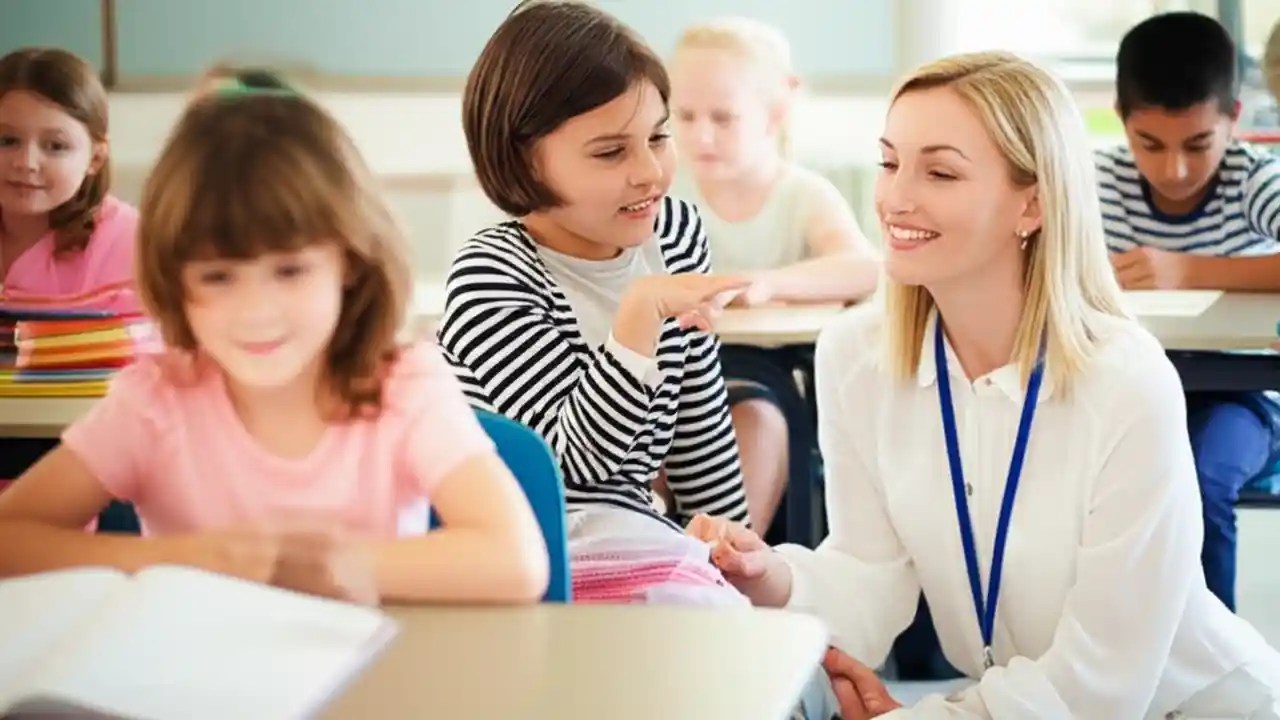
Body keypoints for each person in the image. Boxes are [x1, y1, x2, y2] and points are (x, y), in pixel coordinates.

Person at [690, 51, 1280, 718]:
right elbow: (869, 578)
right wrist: (771, 577)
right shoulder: (855, 356)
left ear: (1031, 203)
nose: (895, 198)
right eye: (889, 163)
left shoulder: (1126, 382)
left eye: (939, 171)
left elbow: (1102, 681)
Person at [0, 83, 548, 605]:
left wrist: (353, 567)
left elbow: (518, 561)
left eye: (290, 271)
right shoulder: (155, 399)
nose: (256, 311)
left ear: (350, 263)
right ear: (176, 284)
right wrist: (180, 559)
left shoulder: (405, 384)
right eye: (218, 277)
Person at [437, 0, 752, 604]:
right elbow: (574, 470)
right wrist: (638, 317)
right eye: (611, 152)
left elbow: (699, 425)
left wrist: (738, 554)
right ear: (522, 157)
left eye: (659, 137)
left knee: (778, 653)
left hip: (631, 539)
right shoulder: (493, 274)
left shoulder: (676, 235)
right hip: (527, 551)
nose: (650, 173)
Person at [1096, 11, 1280, 610]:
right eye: (1149, 144)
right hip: (1123, 389)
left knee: (1200, 481)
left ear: (1233, 118)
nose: (1174, 169)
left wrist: (1187, 267)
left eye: (1198, 144)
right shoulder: (1096, 181)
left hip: (1241, 396)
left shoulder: (1253, 179)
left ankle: (1207, 667)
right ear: (1121, 119)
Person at [669, 17, 880, 538]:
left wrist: (767, 285)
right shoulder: (664, 191)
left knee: (760, 424)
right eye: (685, 115)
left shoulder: (800, 194)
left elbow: (864, 268)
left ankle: (725, 573)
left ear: (775, 114)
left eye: (723, 118)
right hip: (669, 370)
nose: (700, 135)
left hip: (756, 376)